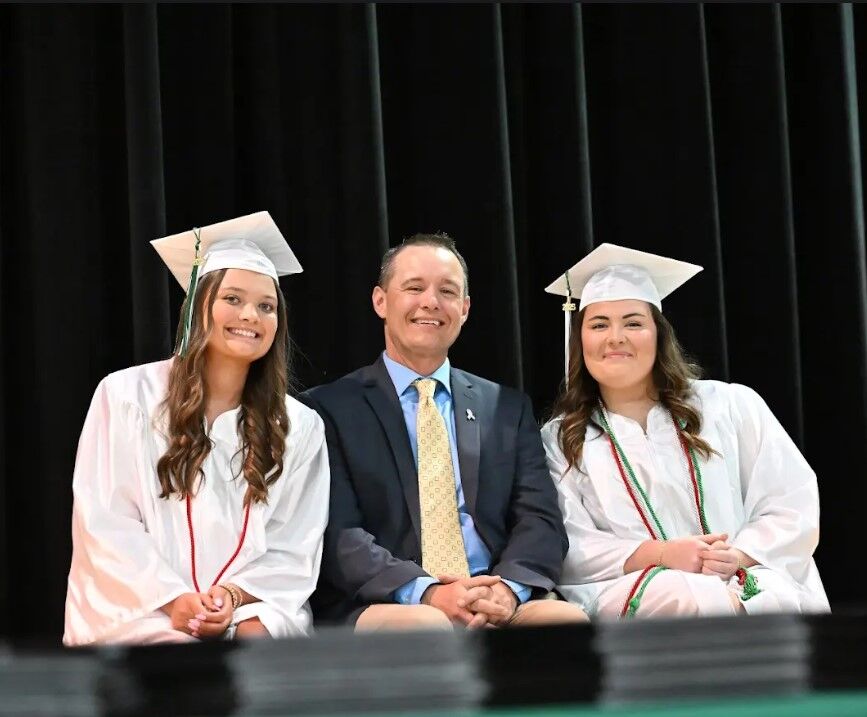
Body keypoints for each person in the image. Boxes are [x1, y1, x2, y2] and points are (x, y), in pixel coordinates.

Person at [63, 211, 330, 645]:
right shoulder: (127, 396)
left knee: (262, 640)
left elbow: (293, 546)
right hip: (141, 607)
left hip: (248, 606)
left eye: (266, 306)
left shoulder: (299, 426)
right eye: (233, 298)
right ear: (196, 309)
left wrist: (230, 597)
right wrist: (174, 599)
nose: (251, 315)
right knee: (179, 659)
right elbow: (106, 522)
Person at [305, 233, 588, 631]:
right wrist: (429, 593)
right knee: (426, 628)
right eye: (414, 288)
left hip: (493, 594)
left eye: (447, 291)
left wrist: (505, 591)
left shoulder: (506, 408)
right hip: (388, 601)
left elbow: (539, 519)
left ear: (465, 308)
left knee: (564, 622)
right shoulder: (328, 409)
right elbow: (339, 534)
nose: (431, 302)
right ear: (380, 301)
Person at [540, 243, 830, 619]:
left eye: (633, 322)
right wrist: (664, 555)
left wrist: (737, 555)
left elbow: (791, 502)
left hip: (745, 570)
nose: (616, 338)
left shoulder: (729, 405)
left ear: (659, 335)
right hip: (635, 583)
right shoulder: (562, 439)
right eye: (599, 325)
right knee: (681, 594)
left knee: (772, 597)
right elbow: (571, 543)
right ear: (580, 341)